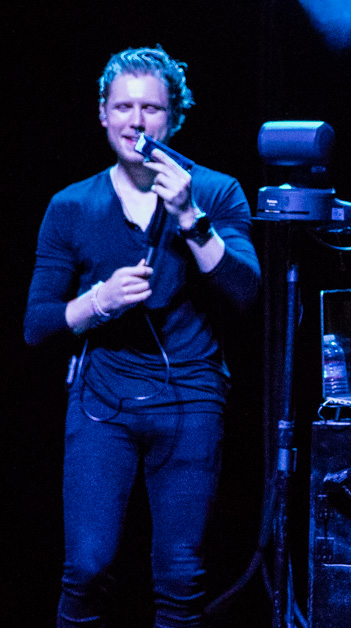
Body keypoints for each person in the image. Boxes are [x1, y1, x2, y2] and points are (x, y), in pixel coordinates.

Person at [24, 46, 261, 627]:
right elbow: (37, 325)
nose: (136, 122)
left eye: (151, 109)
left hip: (190, 398)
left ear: (173, 117)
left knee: (181, 576)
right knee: (87, 567)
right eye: (123, 107)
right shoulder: (72, 205)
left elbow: (244, 293)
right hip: (102, 401)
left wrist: (190, 218)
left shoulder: (216, 190)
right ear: (103, 114)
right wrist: (98, 301)